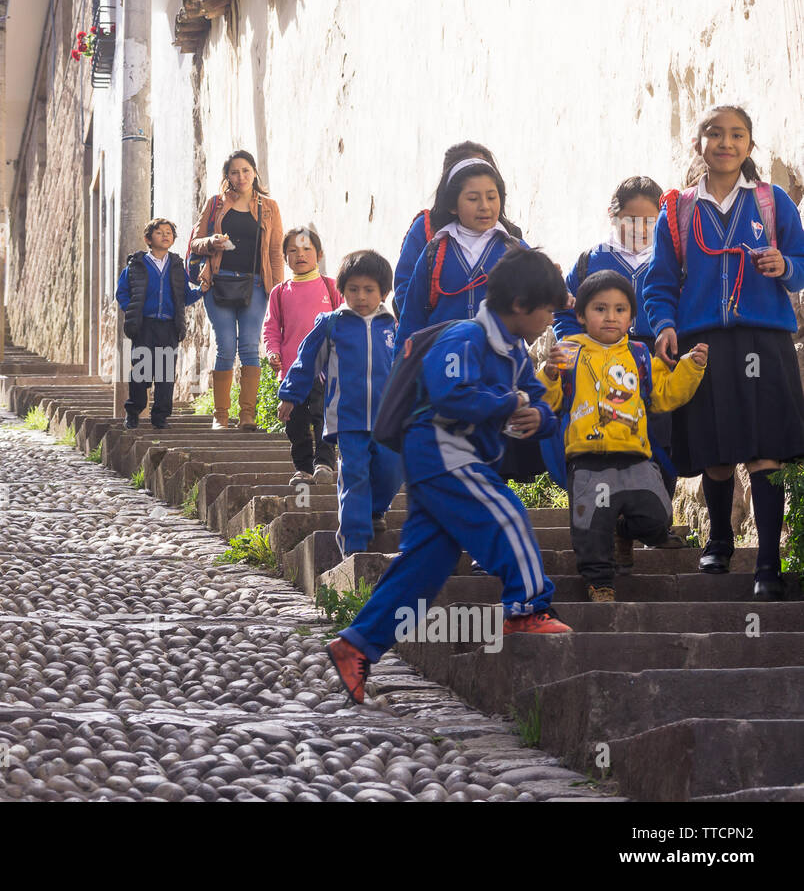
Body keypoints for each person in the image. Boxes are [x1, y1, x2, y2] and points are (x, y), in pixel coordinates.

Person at [326, 246, 572, 705]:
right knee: (507, 514)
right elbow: (449, 394)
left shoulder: (514, 351)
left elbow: (538, 398)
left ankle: (358, 643)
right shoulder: (465, 338)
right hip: (441, 450)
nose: (549, 320)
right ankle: (527, 606)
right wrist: (509, 403)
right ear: (520, 305)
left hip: (459, 454)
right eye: (547, 309)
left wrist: (539, 415)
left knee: (425, 565)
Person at [644, 104, 804, 600]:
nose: (726, 143)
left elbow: (801, 259)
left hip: (764, 340)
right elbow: (659, 281)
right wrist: (666, 326)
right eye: (715, 134)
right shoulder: (677, 210)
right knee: (714, 452)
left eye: (737, 135)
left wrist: (786, 266)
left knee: (765, 453)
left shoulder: (772, 201)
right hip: (703, 344)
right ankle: (718, 538)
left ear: (750, 147)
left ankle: (769, 565)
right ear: (699, 145)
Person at [539, 269, 707, 601]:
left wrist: (691, 367)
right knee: (590, 528)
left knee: (657, 519)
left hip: (636, 458)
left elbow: (664, 397)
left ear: (632, 315)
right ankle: (599, 581)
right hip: (587, 460)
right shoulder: (570, 350)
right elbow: (547, 401)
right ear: (582, 315)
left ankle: (624, 530)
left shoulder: (640, 355)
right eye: (600, 309)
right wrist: (548, 373)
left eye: (620, 309)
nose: (610, 317)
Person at [277, 251, 403, 556]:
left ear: (383, 293)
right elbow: (306, 361)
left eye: (369, 290)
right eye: (353, 290)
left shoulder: (393, 327)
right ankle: (355, 546)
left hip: (388, 420)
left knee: (392, 470)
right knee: (355, 475)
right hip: (348, 419)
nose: (361, 296)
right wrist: (290, 395)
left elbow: (407, 370)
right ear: (342, 291)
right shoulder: (332, 324)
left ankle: (374, 511)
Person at [188, 150, 286, 430]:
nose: (240, 177)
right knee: (226, 346)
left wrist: (276, 293)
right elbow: (194, 243)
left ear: (254, 172)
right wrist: (211, 242)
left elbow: (276, 253)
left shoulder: (269, 207)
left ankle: (247, 416)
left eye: (245, 170)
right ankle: (220, 417)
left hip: (255, 284)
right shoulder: (216, 204)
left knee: (250, 348)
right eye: (234, 172)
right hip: (218, 282)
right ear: (227, 176)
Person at [395, 157, 528, 351]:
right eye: (473, 199)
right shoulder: (434, 252)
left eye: (492, 197)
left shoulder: (516, 251)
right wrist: (400, 373)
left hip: (500, 368)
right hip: (442, 367)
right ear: (452, 205)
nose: (485, 206)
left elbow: (545, 296)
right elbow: (411, 319)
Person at [263, 226, 343, 485]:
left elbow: (344, 322)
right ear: (285, 257)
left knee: (323, 415)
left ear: (318, 254)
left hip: (325, 367)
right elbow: (272, 327)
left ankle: (324, 463)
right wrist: (273, 351)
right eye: (293, 251)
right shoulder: (280, 292)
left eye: (307, 249)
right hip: (291, 372)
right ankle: (303, 468)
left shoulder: (331, 288)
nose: (300, 255)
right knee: (294, 422)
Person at [115, 217, 204, 430]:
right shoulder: (136, 265)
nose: (165, 235)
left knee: (164, 375)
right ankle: (134, 412)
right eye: (159, 232)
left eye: (169, 233)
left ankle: (160, 417)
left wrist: (201, 291)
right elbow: (122, 293)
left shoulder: (175, 266)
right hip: (144, 326)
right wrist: (134, 310)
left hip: (168, 327)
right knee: (141, 371)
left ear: (173, 239)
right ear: (148, 238)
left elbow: (184, 296)